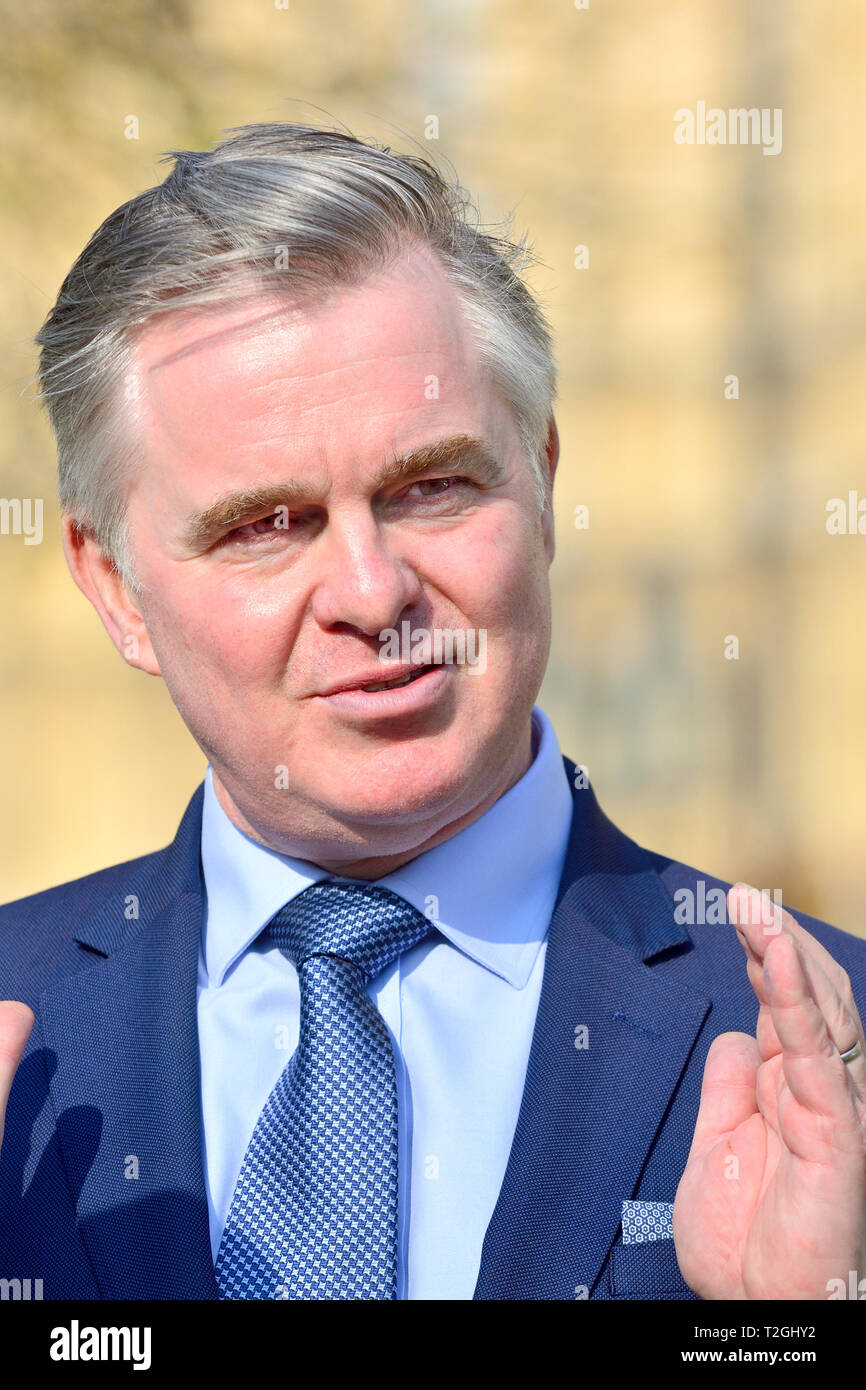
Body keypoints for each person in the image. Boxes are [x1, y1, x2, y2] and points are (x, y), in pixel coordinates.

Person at [1, 122, 864, 1302]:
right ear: (116, 589)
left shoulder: (828, 1052)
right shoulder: (20, 1028)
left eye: (431, 487)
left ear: (545, 486)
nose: (371, 592)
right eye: (266, 524)